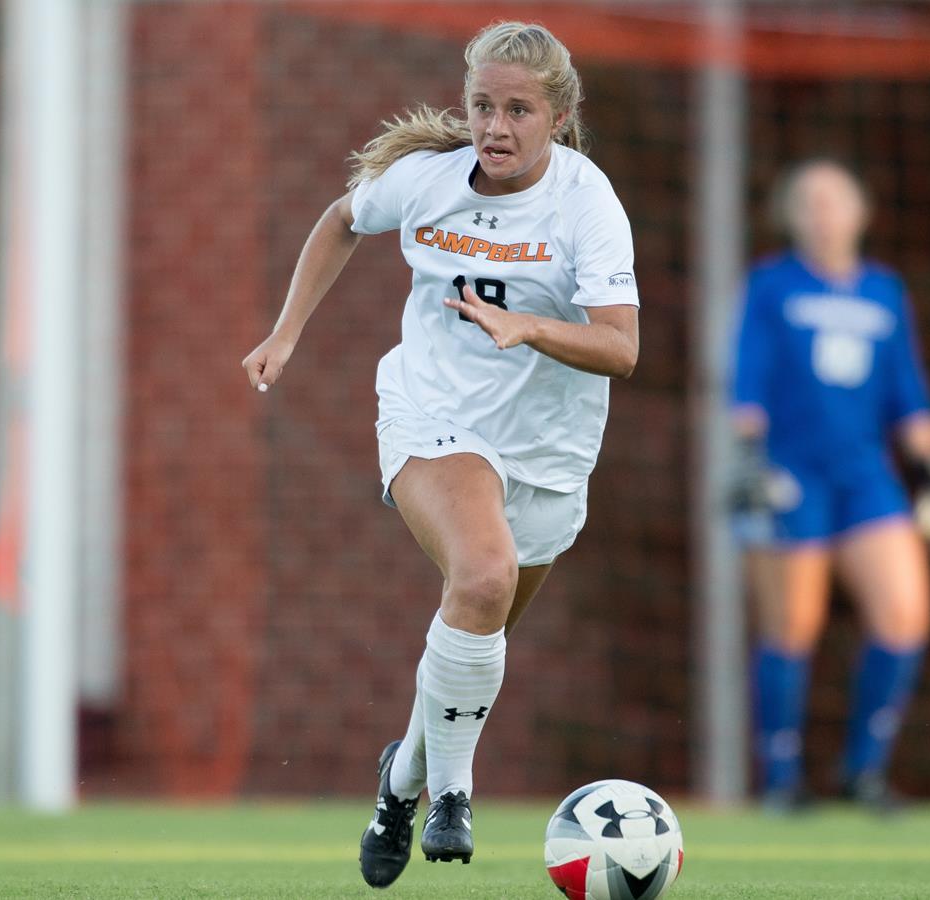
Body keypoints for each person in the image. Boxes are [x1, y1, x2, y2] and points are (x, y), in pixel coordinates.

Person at [241, 21, 640, 888]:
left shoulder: (586, 203)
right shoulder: (424, 182)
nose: (496, 127)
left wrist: (527, 325)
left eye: (519, 111)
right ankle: (454, 792)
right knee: (484, 576)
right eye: (483, 106)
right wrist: (286, 333)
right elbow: (342, 219)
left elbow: (621, 348)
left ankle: (400, 783)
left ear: (560, 117)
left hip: (550, 453)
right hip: (432, 419)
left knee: (477, 619)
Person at [728, 158, 930, 815]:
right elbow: (746, 378)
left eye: (834, 200)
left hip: (868, 478)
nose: (822, 213)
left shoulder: (884, 291)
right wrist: (749, 454)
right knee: (792, 627)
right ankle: (781, 779)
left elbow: (908, 394)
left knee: (903, 616)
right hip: (791, 473)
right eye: (808, 201)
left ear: (861, 212)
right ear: (790, 216)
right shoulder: (771, 285)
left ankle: (865, 772)